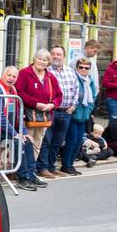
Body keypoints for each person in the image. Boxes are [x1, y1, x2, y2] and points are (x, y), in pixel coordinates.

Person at [0, 65, 44, 190]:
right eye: (9, 75)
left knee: (27, 140)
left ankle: (31, 174)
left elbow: (17, 114)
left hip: (3, 126)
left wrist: (24, 132)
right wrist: (14, 134)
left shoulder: (12, 90)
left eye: (14, 76)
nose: (11, 78)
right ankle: (22, 178)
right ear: (3, 75)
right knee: (18, 141)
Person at [16, 49, 62, 180]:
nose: (42, 61)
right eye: (40, 58)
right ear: (34, 59)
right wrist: (37, 104)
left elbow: (59, 95)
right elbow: (20, 92)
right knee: (27, 145)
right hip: (28, 115)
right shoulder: (24, 73)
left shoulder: (50, 76)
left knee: (37, 144)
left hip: (44, 117)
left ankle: (31, 171)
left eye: (45, 60)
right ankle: (24, 174)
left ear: (49, 63)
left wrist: (52, 105)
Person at [43, 46, 79, 175]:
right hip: (51, 111)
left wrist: (73, 106)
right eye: (53, 54)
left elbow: (76, 89)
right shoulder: (46, 71)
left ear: (63, 56)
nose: (55, 56)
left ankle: (51, 167)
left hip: (66, 112)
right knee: (46, 140)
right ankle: (43, 167)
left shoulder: (70, 71)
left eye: (58, 54)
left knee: (57, 142)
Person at [62, 56, 96, 175]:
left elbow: (93, 97)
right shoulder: (74, 78)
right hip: (73, 115)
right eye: (81, 67)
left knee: (78, 142)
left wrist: (89, 110)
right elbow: (72, 94)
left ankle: (70, 165)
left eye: (86, 68)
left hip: (84, 116)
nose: (83, 70)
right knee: (71, 141)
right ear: (76, 68)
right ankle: (66, 165)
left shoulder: (89, 80)